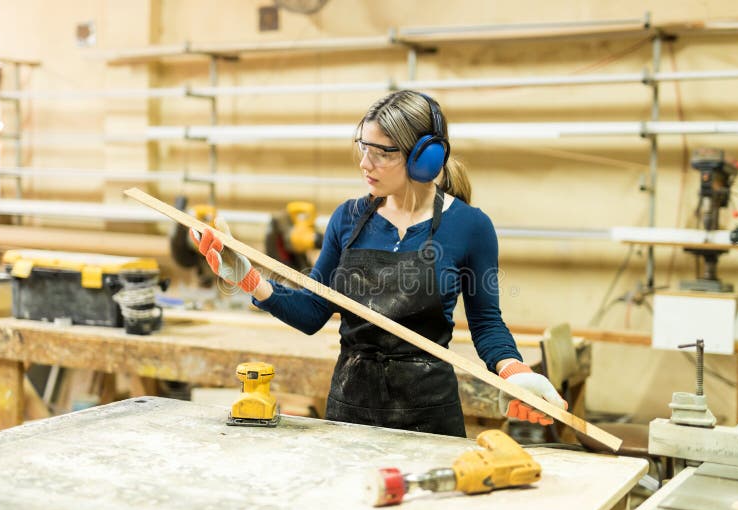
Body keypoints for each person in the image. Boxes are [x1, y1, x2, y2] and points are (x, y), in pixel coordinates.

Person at [190, 90, 566, 438]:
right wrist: (249, 278)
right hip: (349, 409)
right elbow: (313, 313)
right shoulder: (348, 218)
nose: (364, 163)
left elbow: (487, 324)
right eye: (362, 148)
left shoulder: (470, 226)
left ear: (424, 158)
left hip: (429, 417)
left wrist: (515, 372)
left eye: (381, 153)